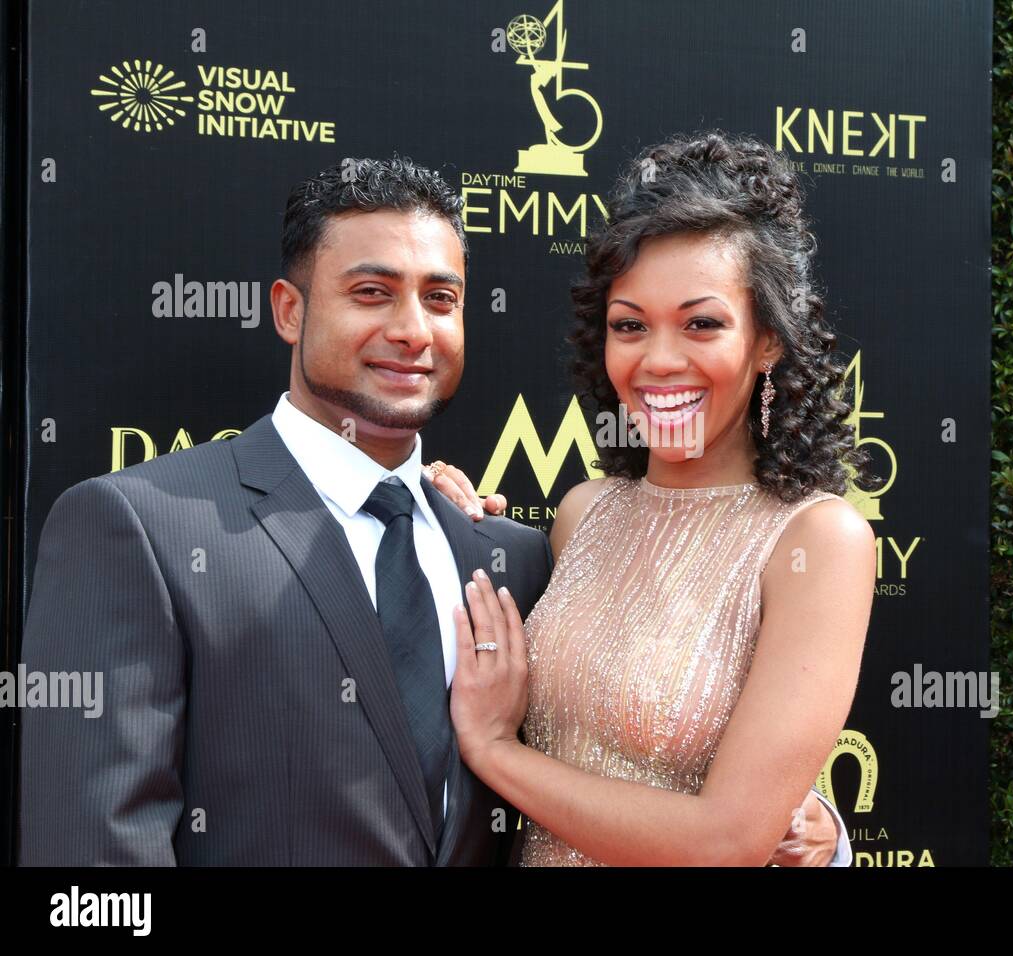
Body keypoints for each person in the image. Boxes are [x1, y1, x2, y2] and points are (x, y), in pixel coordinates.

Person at [18, 154, 846, 866]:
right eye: (372, 292)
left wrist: (810, 825)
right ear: (289, 309)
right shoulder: (140, 529)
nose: (413, 330)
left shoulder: (507, 554)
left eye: (442, 299)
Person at [445, 132, 879, 865]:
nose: (660, 360)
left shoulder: (815, 541)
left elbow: (727, 841)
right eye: (630, 326)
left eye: (701, 323)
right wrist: (429, 519)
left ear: (768, 339)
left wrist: (493, 751)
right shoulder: (584, 513)